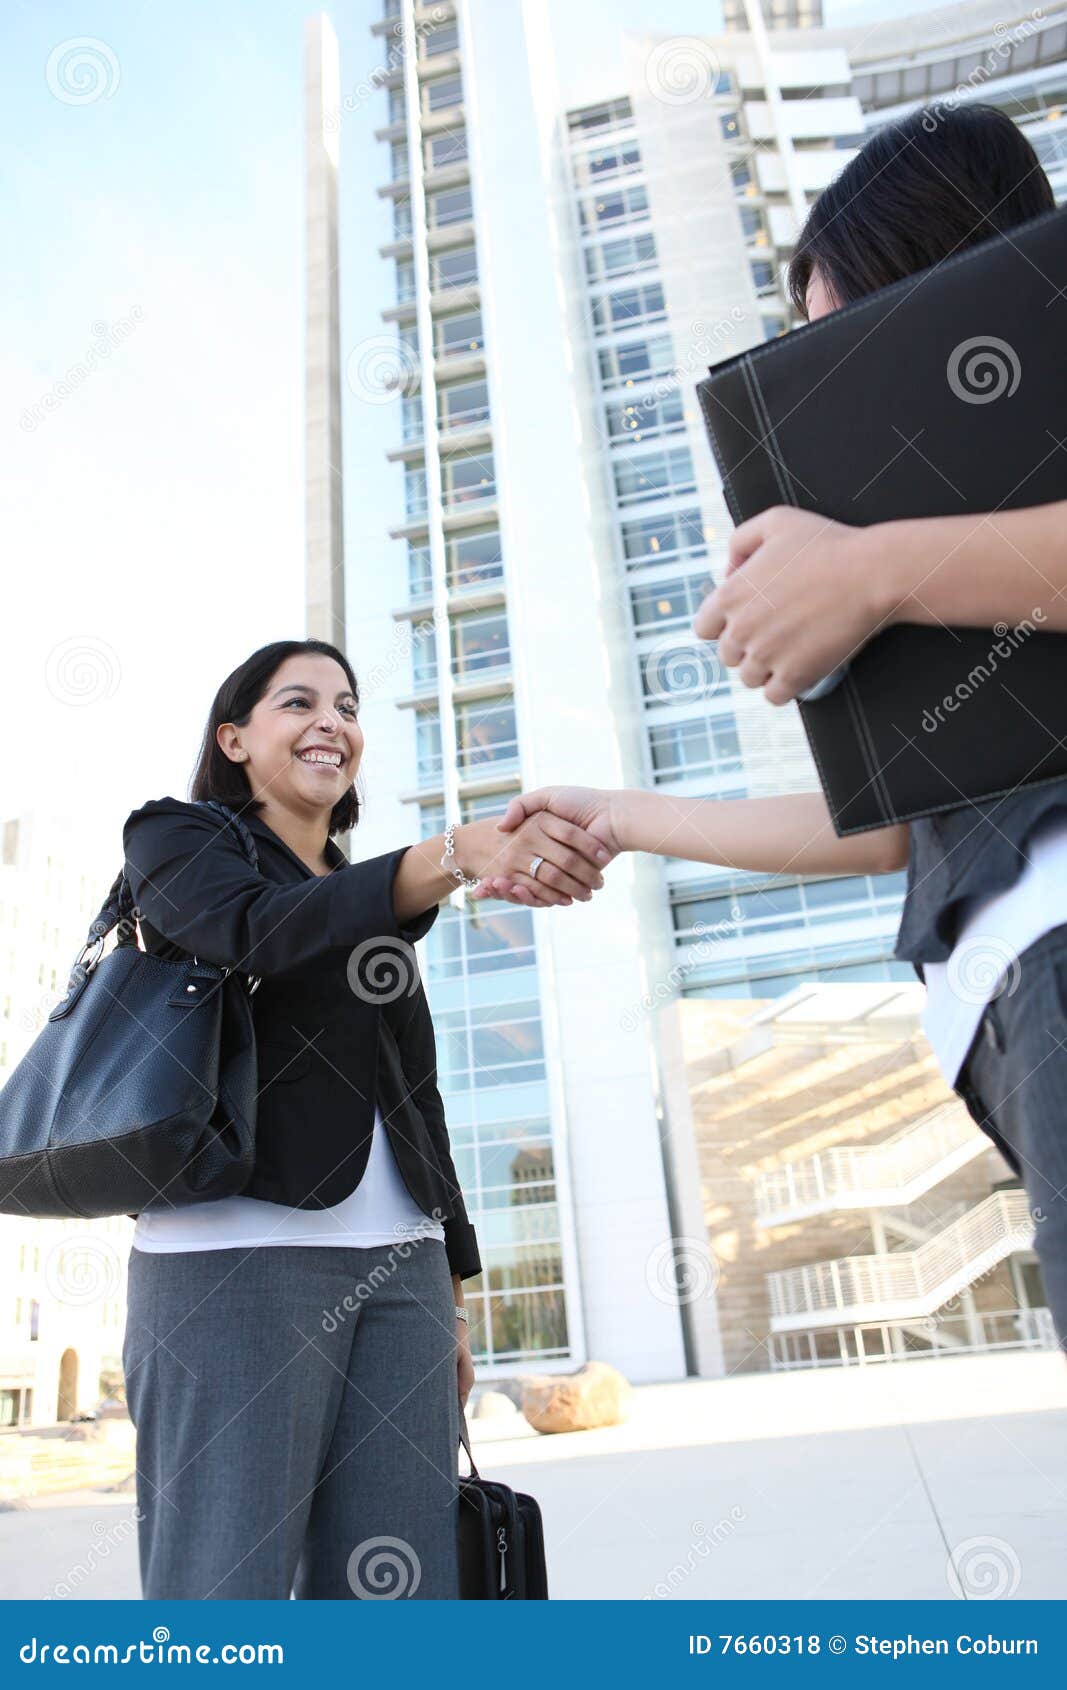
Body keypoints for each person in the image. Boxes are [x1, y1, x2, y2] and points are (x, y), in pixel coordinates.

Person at [482, 104, 1067, 1352]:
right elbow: (891, 830)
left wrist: (870, 572)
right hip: (1011, 1017)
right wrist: (626, 818)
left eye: (843, 339)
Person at [119, 637, 611, 1599]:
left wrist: (452, 1288)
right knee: (223, 1588)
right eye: (296, 703)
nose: (330, 724)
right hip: (232, 1263)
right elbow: (257, 931)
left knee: (397, 1593)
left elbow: (415, 1096)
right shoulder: (176, 840)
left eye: (346, 707)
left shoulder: (369, 894)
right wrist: (451, 855)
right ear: (233, 738)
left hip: (400, 1272)